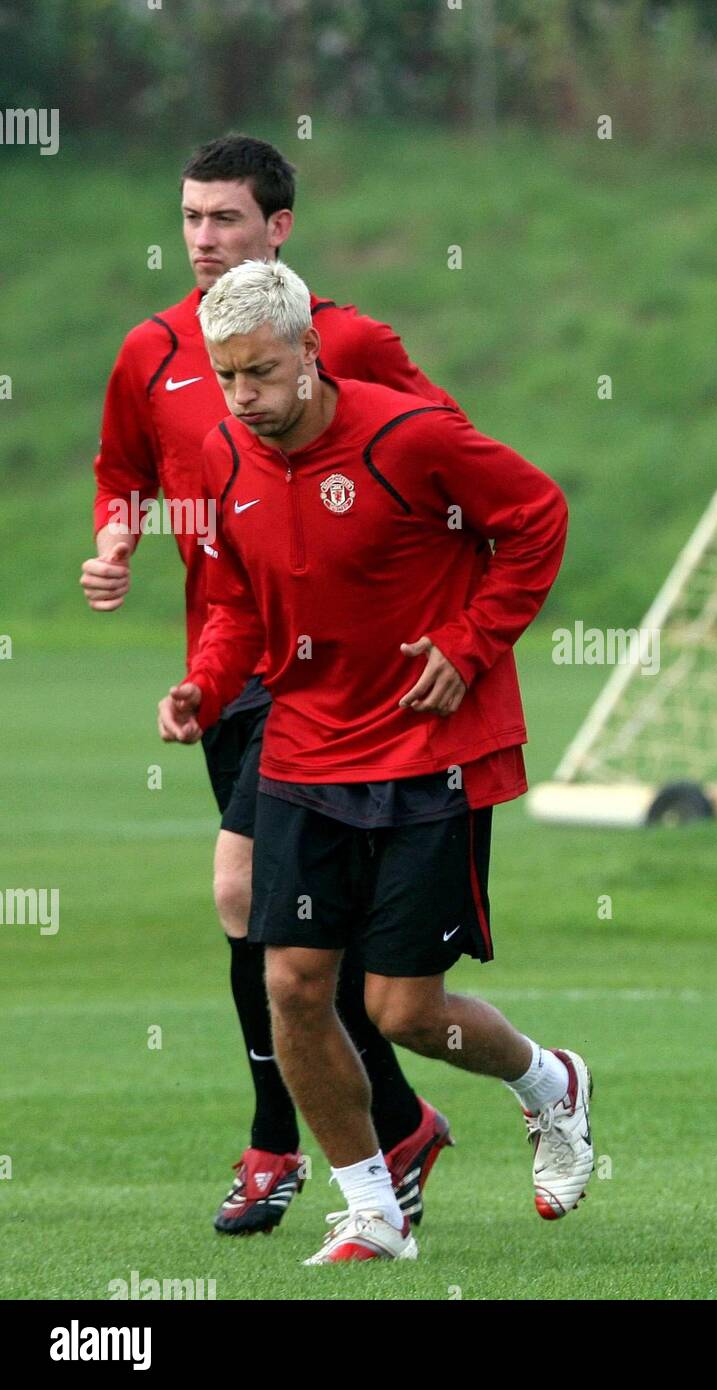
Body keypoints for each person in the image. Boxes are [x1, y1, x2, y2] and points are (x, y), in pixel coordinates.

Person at [158, 257, 592, 1264]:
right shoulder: (223, 459)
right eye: (227, 377)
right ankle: (372, 1210)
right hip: (304, 753)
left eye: (262, 372)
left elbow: (535, 519)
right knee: (296, 986)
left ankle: (546, 1083)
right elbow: (232, 607)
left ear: (311, 352)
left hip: (428, 754)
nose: (245, 397)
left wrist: (471, 642)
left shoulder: (412, 437)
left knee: (401, 1009)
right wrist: (207, 687)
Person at [81, 134, 456, 1235]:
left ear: (278, 229)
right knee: (290, 922)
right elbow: (126, 473)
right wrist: (118, 544)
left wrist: (429, 612)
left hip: (339, 678)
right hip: (231, 668)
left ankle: (277, 1140)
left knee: (251, 900)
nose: (203, 239)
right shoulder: (150, 351)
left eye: (226, 220)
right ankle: (393, 1123)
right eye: (191, 218)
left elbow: (444, 458)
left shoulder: (346, 341)